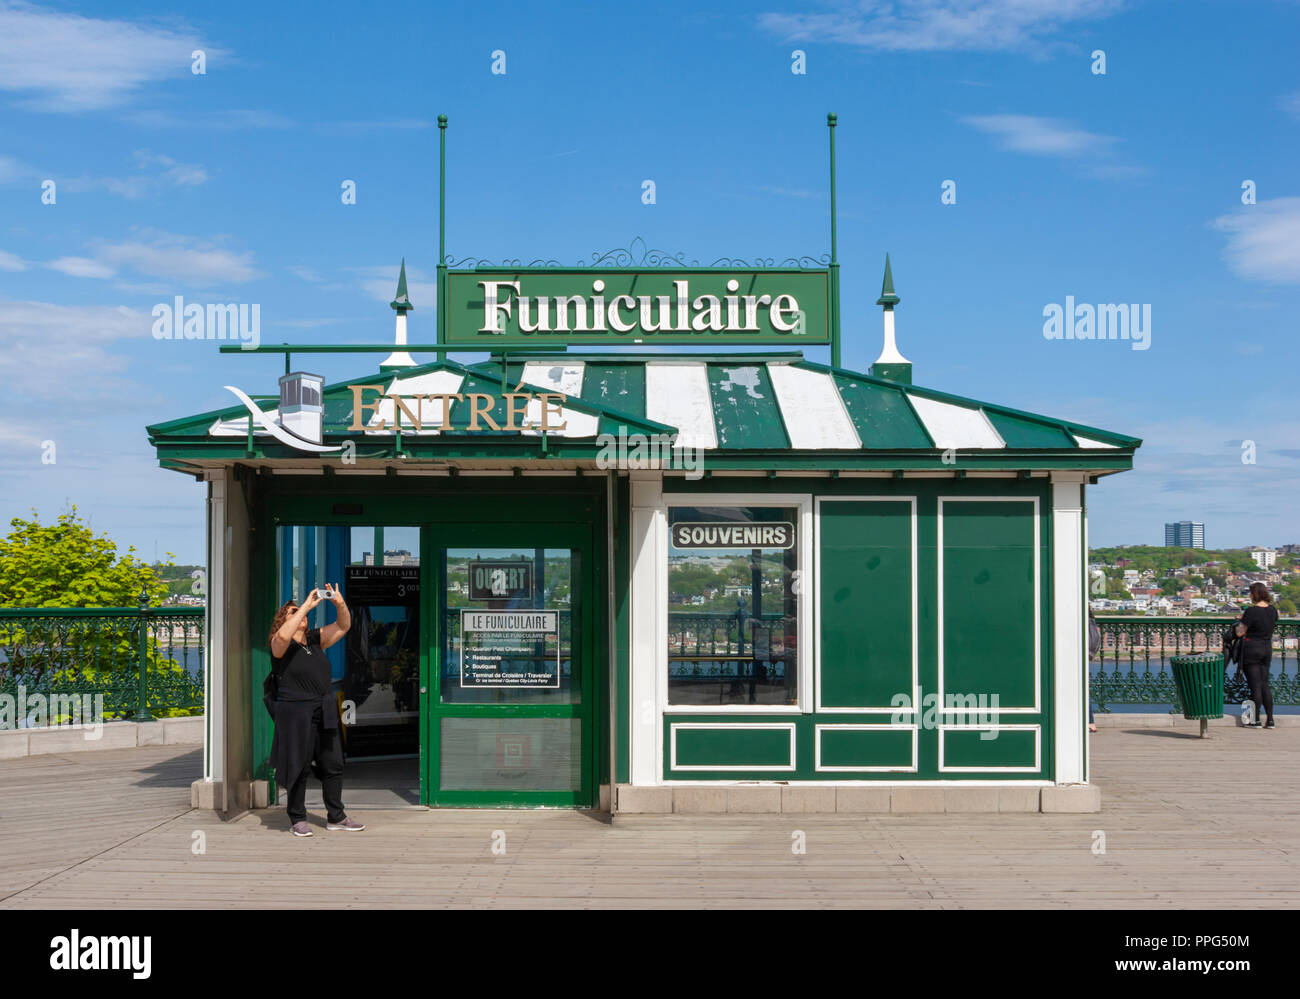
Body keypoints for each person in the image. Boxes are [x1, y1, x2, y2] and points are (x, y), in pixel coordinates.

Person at [269, 585, 366, 835]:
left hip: (324, 708)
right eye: (292, 612)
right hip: (296, 711)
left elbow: (343, 626)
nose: (301, 616)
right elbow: (281, 637)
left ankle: (336, 816)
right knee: (298, 765)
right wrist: (305, 606)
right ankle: (297, 818)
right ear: (284, 620)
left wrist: (339, 604)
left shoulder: (314, 640)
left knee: (333, 764)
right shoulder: (280, 645)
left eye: (300, 612)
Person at [1234, 582, 1278, 730]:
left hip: (1252, 649)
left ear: (1254, 594)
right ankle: (1270, 720)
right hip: (1267, 649)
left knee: (1255, 686)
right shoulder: (1273, 611)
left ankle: (1256, 720)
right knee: (1264, 683)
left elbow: (1240, 632)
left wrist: (1241, 620)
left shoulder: (1251, 612)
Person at [1087, 609, 1101, 733]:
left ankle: (1090, 721)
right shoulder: (1091, 621)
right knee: (1084, 689)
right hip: (1088, 654)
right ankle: (1090, 722)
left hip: (1081, 654)